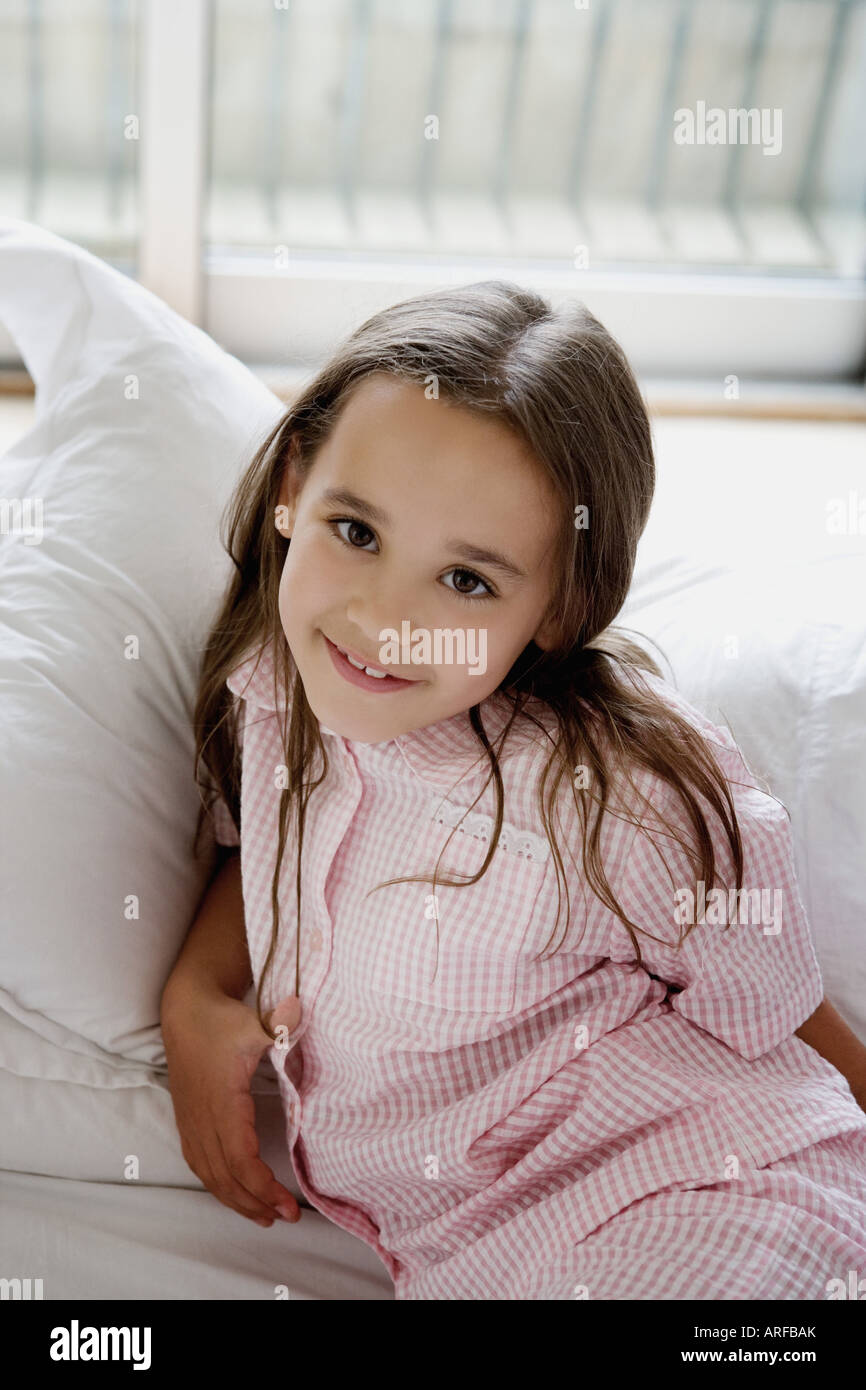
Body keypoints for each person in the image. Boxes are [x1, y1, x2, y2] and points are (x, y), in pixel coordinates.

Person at [161, 281, 866, 1300]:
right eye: (355, 531)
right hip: (478, 1255)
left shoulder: (609, 797)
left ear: (560, 605)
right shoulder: (271, 686)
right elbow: (268, 847)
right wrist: (196, 993)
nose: (380, 617)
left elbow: (782, 1016)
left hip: (705, 1200)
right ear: (292, 483)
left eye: (466, 581)